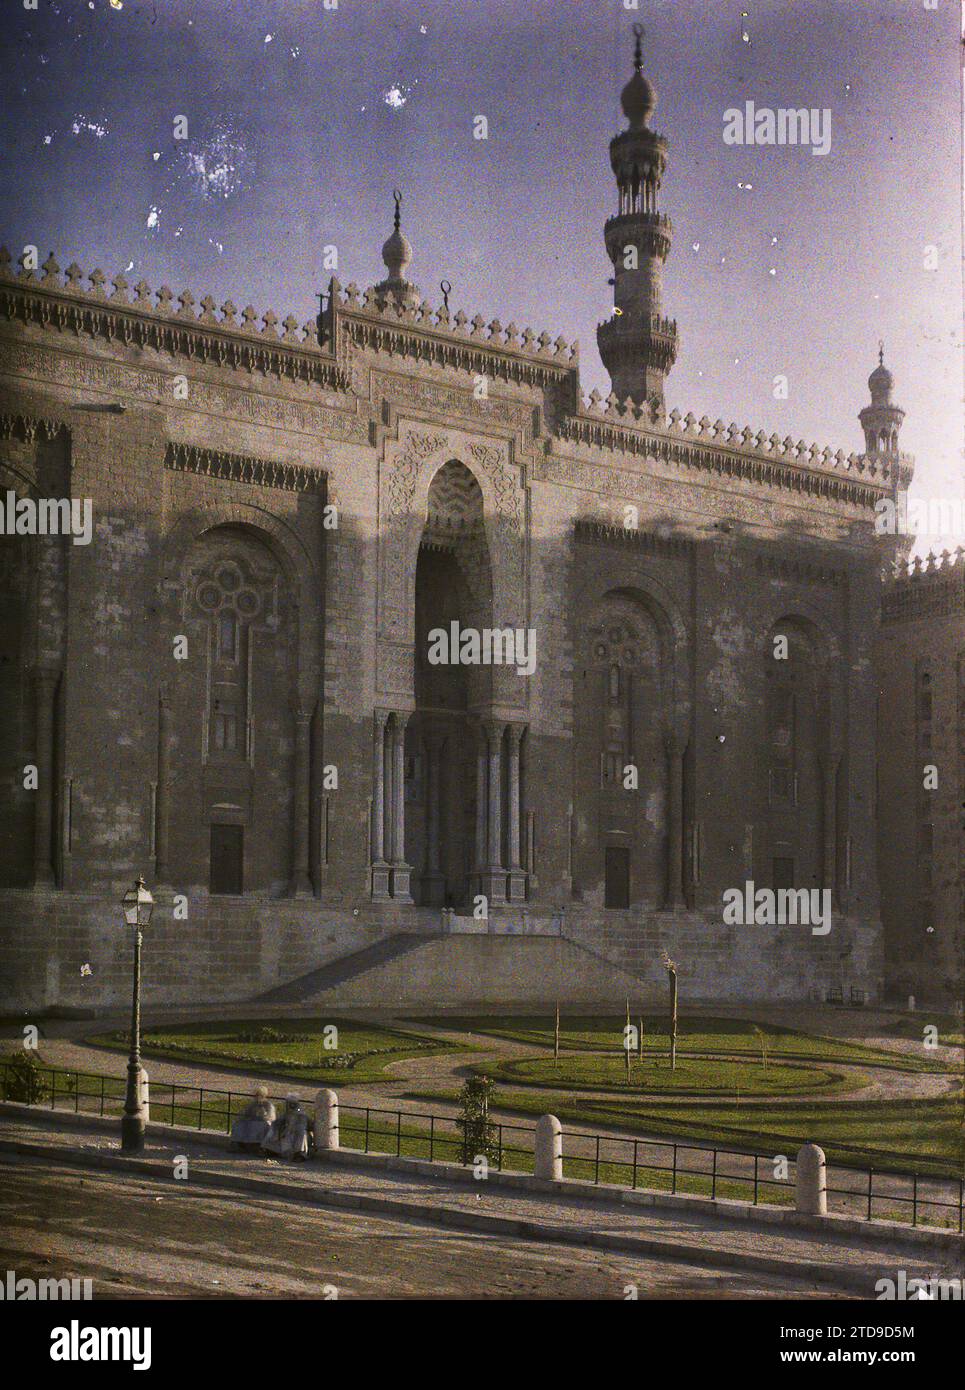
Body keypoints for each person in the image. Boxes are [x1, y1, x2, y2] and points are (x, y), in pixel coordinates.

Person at [261, 1094, 311, 1160]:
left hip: (298, 1134)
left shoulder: (302, 1115)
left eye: (293, 1103)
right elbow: (280, 1121)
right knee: (274, 1129)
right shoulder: (286, 1114)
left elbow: (305, 1126)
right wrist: (278, 1124)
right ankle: (268, 1149)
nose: (291, 1105)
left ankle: (299, 1153)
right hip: (287, 1134)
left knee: (302, 1133)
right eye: (289, 1103)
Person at [230, 1086, 276, 1151]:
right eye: (256, 1095)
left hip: (263, 1123)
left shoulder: (268, 1105)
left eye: (259, 1095)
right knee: (238, 1124)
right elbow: (246, 1113)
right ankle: (238, 1144)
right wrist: (241, 1118)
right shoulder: (253, 1104)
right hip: (252, 1121)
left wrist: (262, 1113)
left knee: (261, 1126)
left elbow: (270, 1117)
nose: (257, 1097)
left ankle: (262, 1148)